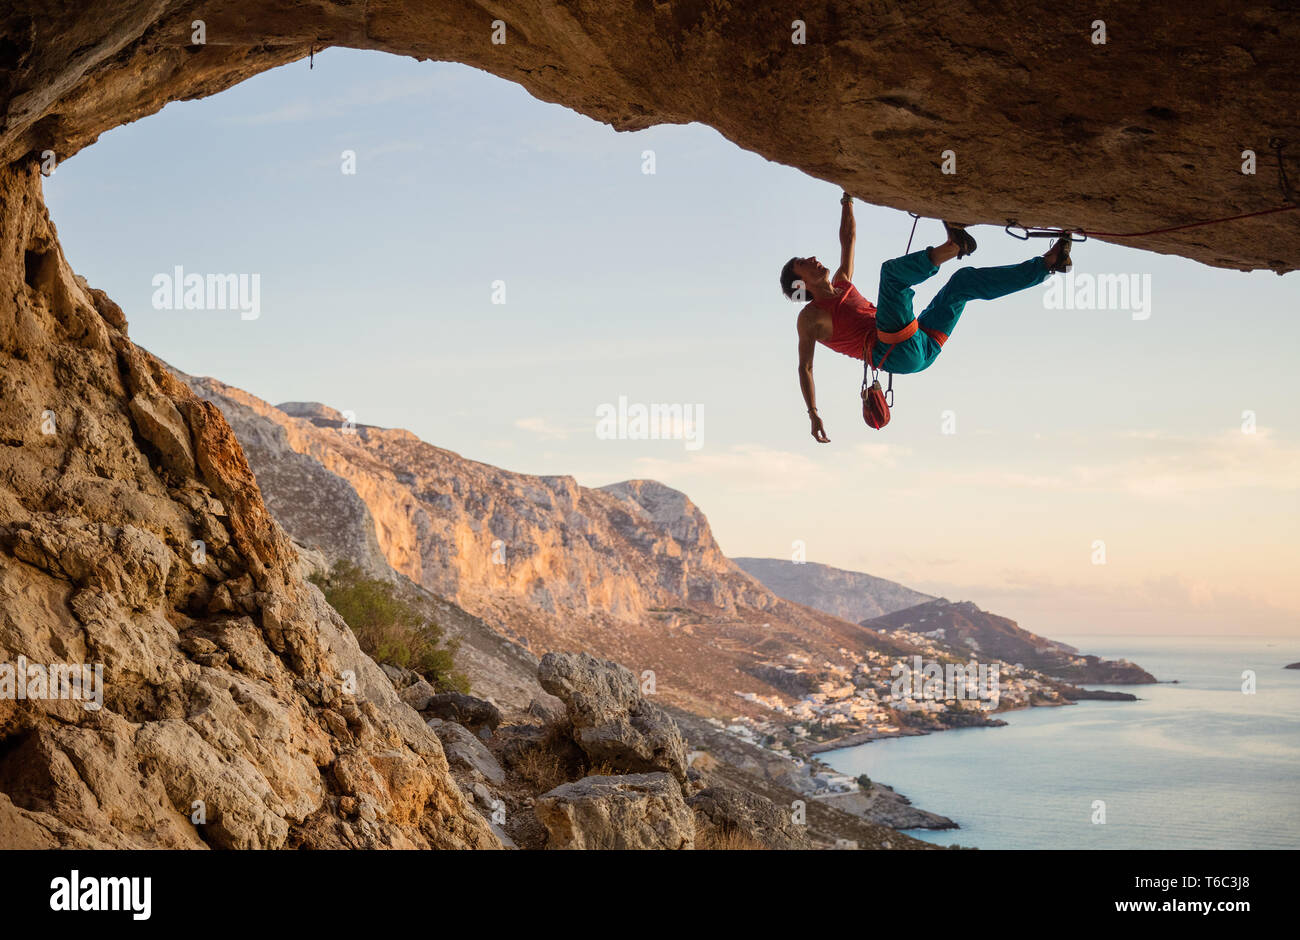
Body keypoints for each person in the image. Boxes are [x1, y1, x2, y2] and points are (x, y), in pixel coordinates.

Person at [782, 193, 1072, 442]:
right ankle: (954, 247)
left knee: (963, 283)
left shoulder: (842, 281)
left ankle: (1048, 264)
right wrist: (814, 414)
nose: (812, 259)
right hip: (895, 352)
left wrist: (848, 197)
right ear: (800, 285)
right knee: (892, 275)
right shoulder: (810, 318)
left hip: (921, 347)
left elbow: (848, 239)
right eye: (803, 264)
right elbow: (805, 367)